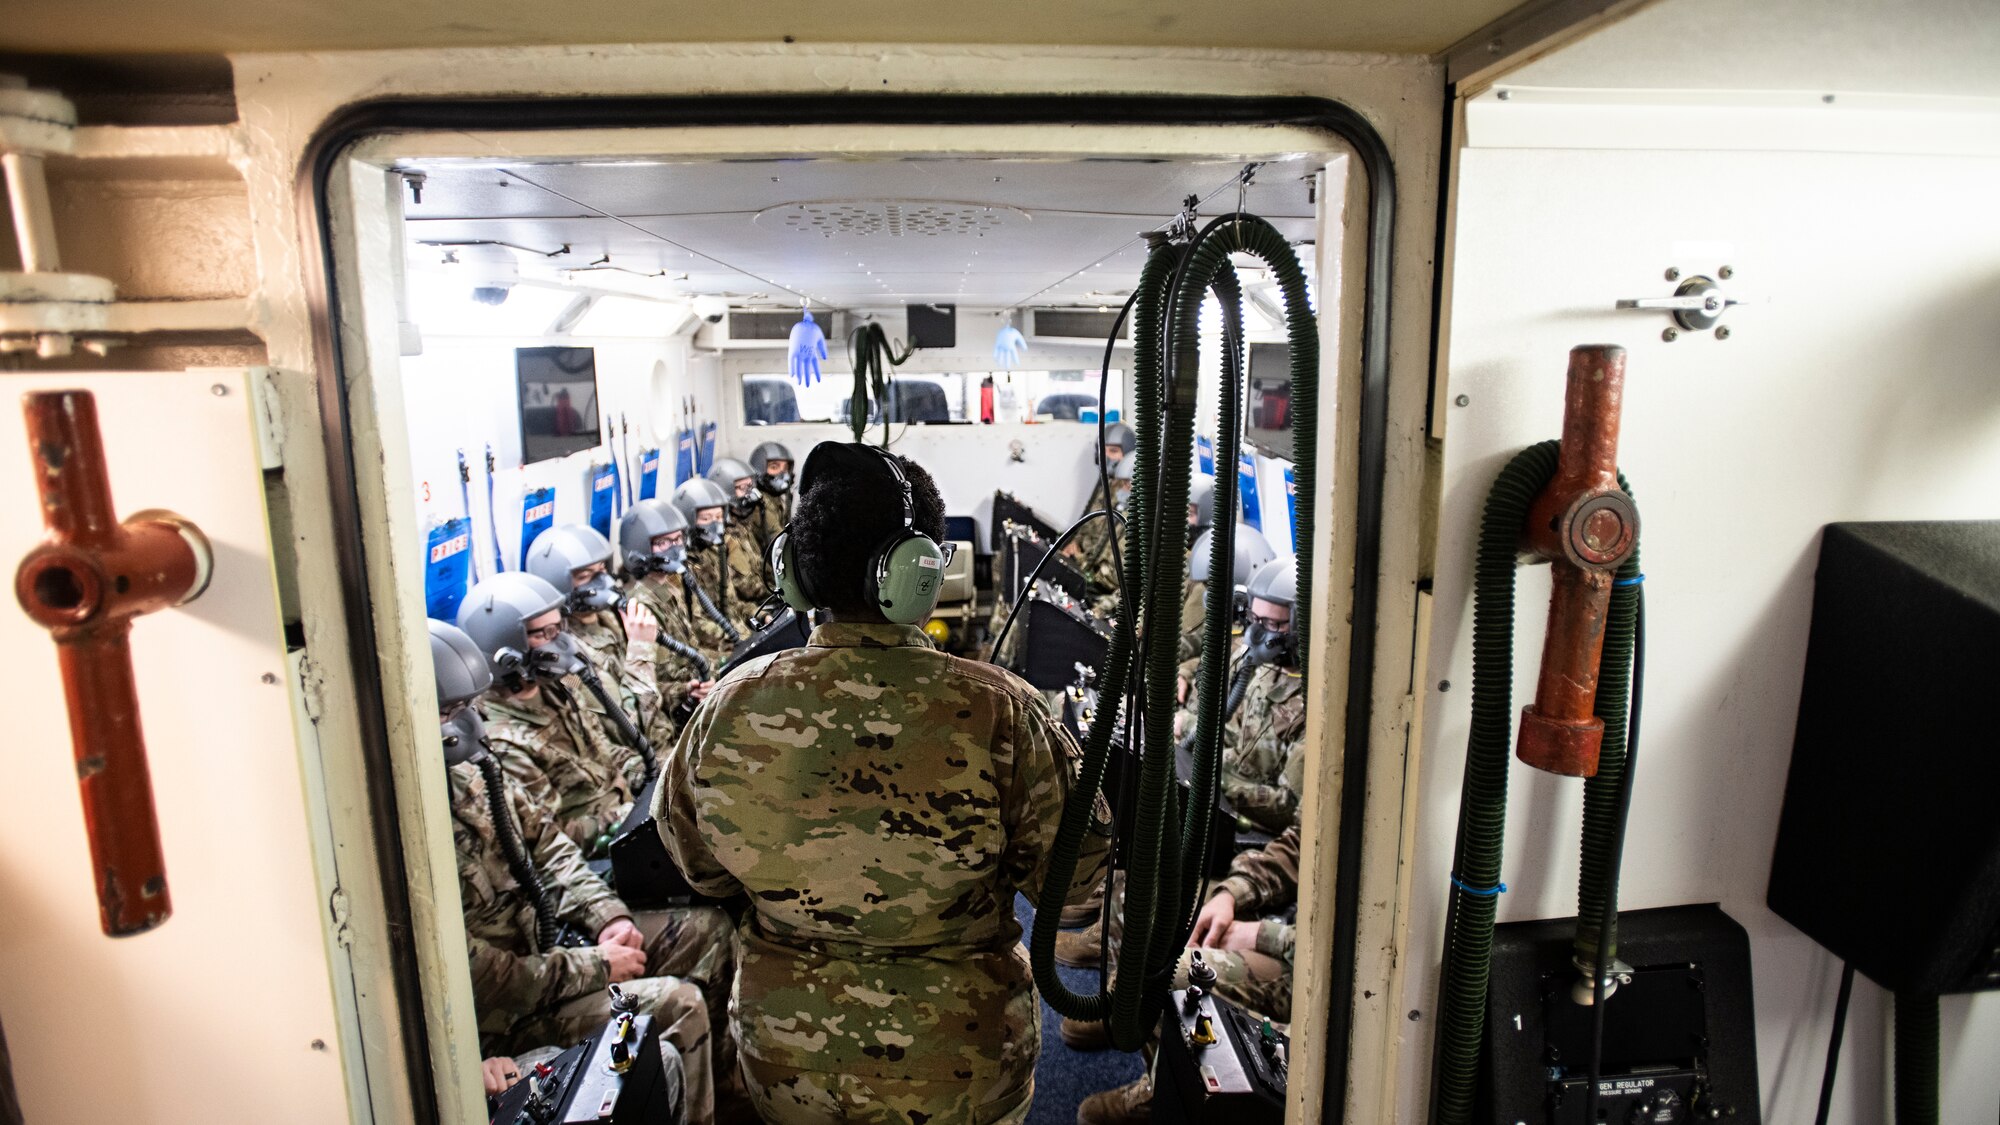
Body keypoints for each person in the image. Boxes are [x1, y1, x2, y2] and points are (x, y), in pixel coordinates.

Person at [657, 442, 1110, 1125]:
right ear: (918, 572)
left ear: (795, 571)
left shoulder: (726, 708)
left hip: (787, 1067)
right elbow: (1074, 880)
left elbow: (700, 869)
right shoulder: (1003, 713)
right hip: (958, 1072)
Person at [429, 618, 718, 1124]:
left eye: (469, 706)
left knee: (710, 932)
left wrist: (607, 917)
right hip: (511, 1011)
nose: (470, 723)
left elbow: (549, 847)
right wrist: (596, 966)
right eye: (450, 712)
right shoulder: (406, 836)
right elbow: (482, 976)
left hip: (556, 950)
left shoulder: (472, 775)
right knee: (681, 1003)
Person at [1073, 822, 1301, 1125]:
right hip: (1283, 917)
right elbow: (1298, 845)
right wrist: (1230, 895)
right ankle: (1127, 1014)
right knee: (1132, 891)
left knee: (1171, 976)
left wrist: (1263, 935)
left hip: (1304, 967)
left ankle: (1161, 1087)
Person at [458, 573, 642, 855]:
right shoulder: (500, 738)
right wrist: (620, 819)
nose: (562, 643)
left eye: (559, 628)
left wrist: (652, 775)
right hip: (599, 848)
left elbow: (605, 751)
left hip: (628, 811)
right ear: (504, 651)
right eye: (543, 634)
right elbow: (551, 835)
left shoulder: (563, 684)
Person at [523, 523, 674, 752]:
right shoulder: (567, 656)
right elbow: (631, 728)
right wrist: (641, 648)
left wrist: (684, 692)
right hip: (644, 757)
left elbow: (646, 685)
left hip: (668, 740)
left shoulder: (609, 619)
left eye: (602, 570)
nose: (603, 582)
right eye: (586, 576)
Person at [1220, 555, 1306, 834]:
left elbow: (1290, 807)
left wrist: (1222, 783)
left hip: (1257, 831)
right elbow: (1235, 735)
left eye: (1271, 624)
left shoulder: (1314, 705)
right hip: (1231, 801)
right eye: (1255, 620)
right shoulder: (1267, 672)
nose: (1255, 633)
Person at [617, 498, 717, 730]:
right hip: (673, 717)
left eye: (677, 539)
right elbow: (657, 677)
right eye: (663, 542)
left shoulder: (668, 588)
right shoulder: (639, 605)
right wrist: (687, 690)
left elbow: (690, 649)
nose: (674, 548)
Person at [672, 476, 741, 663]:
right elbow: (698, 625)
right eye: (706, 518)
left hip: (733, 638)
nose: (715, 524)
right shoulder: (681, 570)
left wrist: (760, 617)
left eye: (718, 517)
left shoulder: (714, 553)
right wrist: (736, 638)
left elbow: (732, 602)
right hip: (714, 651)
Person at [707, 456, 773, 607]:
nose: (750, 493)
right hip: (753, 606)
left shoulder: (741, 525)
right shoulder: (725, 537)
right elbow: (746, 587)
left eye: (750, 486)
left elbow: (760, 565)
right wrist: (778, 593)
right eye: (742, 488)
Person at [747, 440, 795, 570]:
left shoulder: (776, 498)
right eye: (774, 467)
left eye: (785, 468)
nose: (783, 474)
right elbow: (781, 543)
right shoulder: (759, 505)